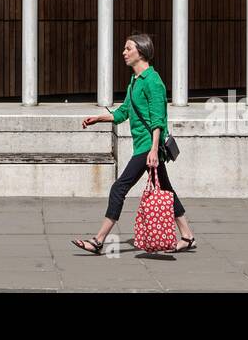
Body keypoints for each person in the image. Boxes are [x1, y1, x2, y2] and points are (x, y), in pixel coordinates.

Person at [72, 33, 197, 254]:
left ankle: (99, 240)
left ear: (141, 51)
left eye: (128, 48)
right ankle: (187, 236)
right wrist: (98, 118)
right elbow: (123, 113)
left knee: (119, 188)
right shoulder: (135, 82)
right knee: (166, 189)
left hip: (148, 147)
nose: (124, 52)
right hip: (145, 146)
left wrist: (153, 150)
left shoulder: (153, 81)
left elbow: (158, 118)